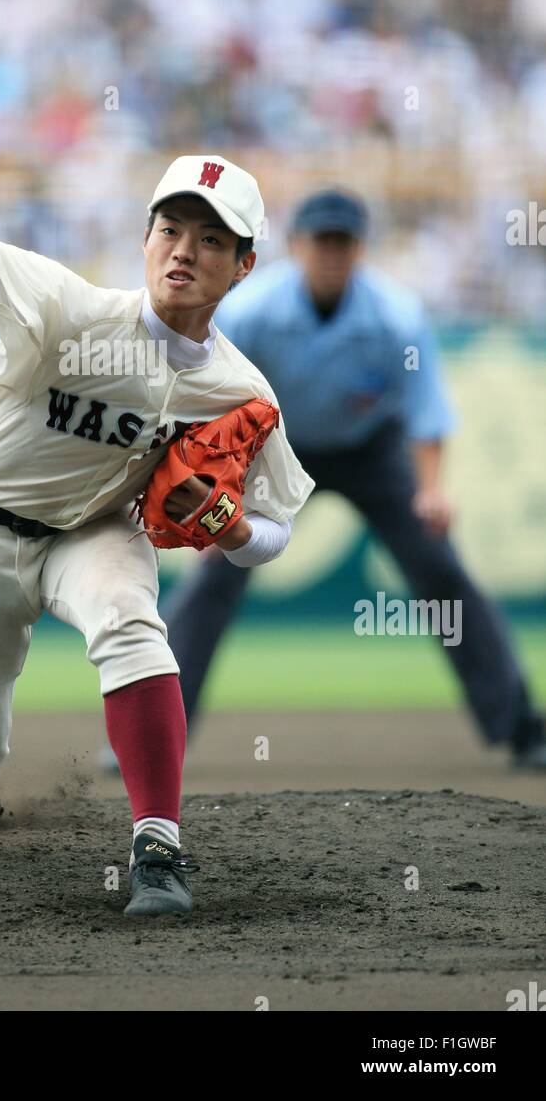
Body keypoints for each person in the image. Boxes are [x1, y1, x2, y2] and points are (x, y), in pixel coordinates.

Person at [0, 38, 314, 917]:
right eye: (169, 227)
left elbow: (271, 536)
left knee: (133, 625)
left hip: (92, 531)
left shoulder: (239, 388)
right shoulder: (65, 308)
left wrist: (232, 528)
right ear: (145, 236)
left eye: (211, 238)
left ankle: (159, 849)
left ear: (245, 267)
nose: (183, 250)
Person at [133, 189, 546, 774]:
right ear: (297, 246)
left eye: (342, 242)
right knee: (213, 575)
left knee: (440, 569)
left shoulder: (394, 315)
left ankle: (521, 726)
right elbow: (213, 394)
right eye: (321, 241)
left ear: (360, 250)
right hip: (278, 446)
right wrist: (217, 486)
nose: (331, 253)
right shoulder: (256, 311)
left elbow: (426, 412)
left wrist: (429, 489)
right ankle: (153, 732)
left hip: (370, 449)